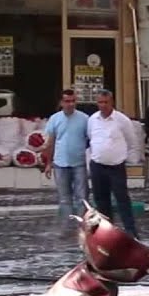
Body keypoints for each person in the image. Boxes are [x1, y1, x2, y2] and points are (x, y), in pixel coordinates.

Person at [87, 89, 141, 237]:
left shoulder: (122, 120)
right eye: (100, 102)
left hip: (116, 167)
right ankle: (107, 231)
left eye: (106, 102)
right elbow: (91, 137)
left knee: (122, 198)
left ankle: (131, 230)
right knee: (101, 200)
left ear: (112, 103)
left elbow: (132, 142)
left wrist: (127, 159)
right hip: (97, 165)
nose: (103, 105)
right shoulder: (92, 119)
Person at [42, 89, 90, 223]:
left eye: (73, 101)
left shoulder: (84, 119)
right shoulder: (55, 119)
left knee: (82, 198)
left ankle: (81, 225)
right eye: (67, 101)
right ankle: (67, 225)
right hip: (60, 164)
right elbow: (50, 143)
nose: (70, 104)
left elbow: (91, 140)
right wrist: (48, 163)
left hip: (79, 163)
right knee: (64, 198)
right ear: (61, 102)